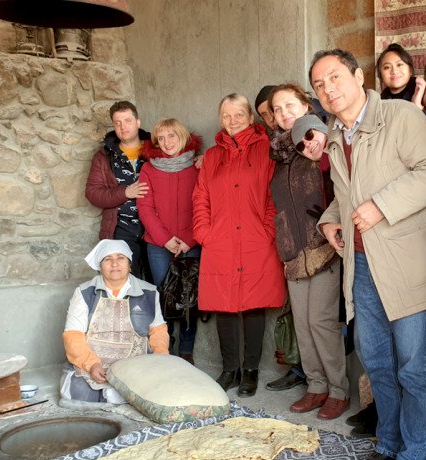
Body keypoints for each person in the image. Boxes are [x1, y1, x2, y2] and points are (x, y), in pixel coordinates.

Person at [310, 48, 426, 460]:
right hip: (361, 266)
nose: (328, 88)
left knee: (414, 369)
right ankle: (389, 445)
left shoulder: (400, 116)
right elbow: (347, 195)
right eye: (319, 84)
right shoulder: (335, 136)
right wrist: (329, 222)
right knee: (377, 365)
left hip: (409, 265)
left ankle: (416, 452)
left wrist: (382, 205)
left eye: (335, 77)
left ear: (358, 77)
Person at [192, 94, 286, 398]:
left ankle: (250, 370)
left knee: (254, 304)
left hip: (256, 238)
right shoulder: (211, 156)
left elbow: (274, 194)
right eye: (226, 115)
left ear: (250, 117)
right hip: (220, 239)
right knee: (224, 305)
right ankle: (229, 369)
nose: (232, 121)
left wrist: (267, 231)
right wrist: (204, 233)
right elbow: (201, 197)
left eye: (238, 115)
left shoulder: (266, 149)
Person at [267, 106, 348, 420]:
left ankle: (338, 390)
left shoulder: (332, 157)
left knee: (321, 322)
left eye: (312, 135)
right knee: (302, 324)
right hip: (292, 250)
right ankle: (316, 386)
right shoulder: (283, 159)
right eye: (301, 142)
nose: (308, 144)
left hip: (324, 248)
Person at [61, 239, 169, 403]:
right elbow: (73, 335)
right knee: (80, 397)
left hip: (135, 367)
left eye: (121, 258)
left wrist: (161, 362)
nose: (114, 264)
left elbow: (158, 332)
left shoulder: (149, 292)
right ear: (100, 266)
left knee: (153, 395)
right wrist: (92, 365)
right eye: (107, 259)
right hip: (94, 365)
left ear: (129, 264)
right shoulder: (84, 292)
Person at [137, 118, 201, 365]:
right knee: (163, 299)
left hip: (190, 243)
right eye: (161, 138)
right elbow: (145, 208)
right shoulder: (149, 169)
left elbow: (204, 206)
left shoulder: (198, 166)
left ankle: (186, 352)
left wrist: (188, 240)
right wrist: (165, 240)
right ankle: (165, 350)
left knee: (188, 299)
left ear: (182, 136)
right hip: (158, 245)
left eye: (171, 136)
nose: (166, 142)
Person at [84, 101, 152, 279]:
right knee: (123, 282)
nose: (123, 127)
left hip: (155, 228)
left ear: (138, 122)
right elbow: (92, 193)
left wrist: (200, 158)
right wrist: (125, 193)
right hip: (121, 229)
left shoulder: (157, 149)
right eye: (118, 123)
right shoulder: (104, 155)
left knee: (158, 282)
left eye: (128, 121)